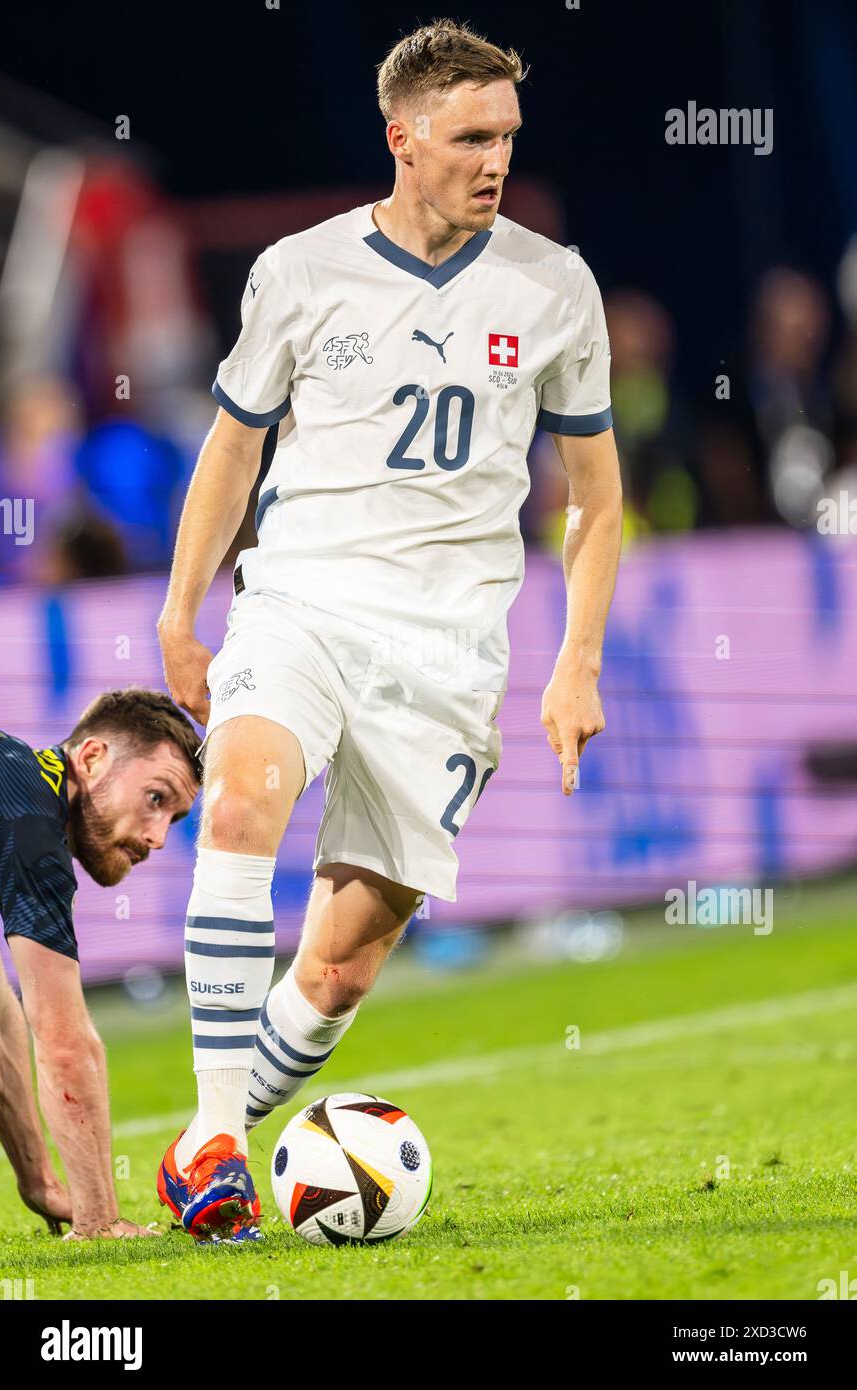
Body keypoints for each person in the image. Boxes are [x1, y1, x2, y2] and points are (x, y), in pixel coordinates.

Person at [156, 18, 623, 1242]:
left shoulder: (552, 283)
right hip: (303, 600)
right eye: (471, 137)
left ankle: (219, 1137)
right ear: (400, 138)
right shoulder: (301, 272)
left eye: (507, 137)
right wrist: (180, 609)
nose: (494, 160)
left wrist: (575, 657)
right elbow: (233, 444)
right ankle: (213, 1135)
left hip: (447, 651)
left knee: (339, 967)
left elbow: (596, 491)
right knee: (245, 795)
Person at [0, 689, 201, 1239]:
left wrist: (39, 1181)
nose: (157, 838)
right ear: (90, 758)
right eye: (156, 799)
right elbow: (64, 1042)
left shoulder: (9, 793)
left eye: (174, 819)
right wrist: (100, 1221)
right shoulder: (30, 824)